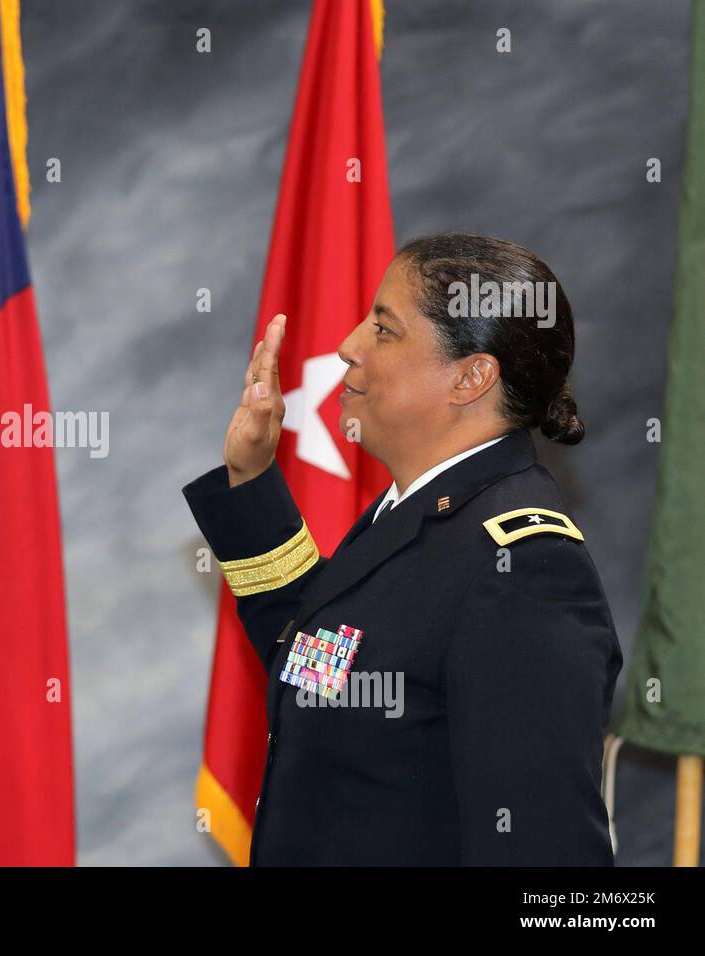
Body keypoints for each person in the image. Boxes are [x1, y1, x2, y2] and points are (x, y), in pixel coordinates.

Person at [183, 233, 622, 865]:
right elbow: (316, 667)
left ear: (471, 377)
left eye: (383, 330)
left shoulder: (522, 564)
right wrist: (251, 483)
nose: (348, 346)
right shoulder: (419, 513)